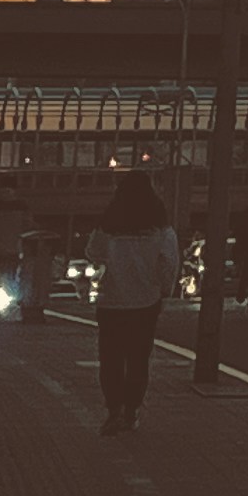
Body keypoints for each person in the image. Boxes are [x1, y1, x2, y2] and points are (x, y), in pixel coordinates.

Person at [90, 176, 182, 436]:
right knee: (138, 359)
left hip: (111, 302)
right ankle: (131, 411)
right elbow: (169, 263)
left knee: (111, 359)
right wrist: (164, 290)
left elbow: (93, 252)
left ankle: (114, 410)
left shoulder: (108, 225)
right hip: (145, 302)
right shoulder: (162, 230)